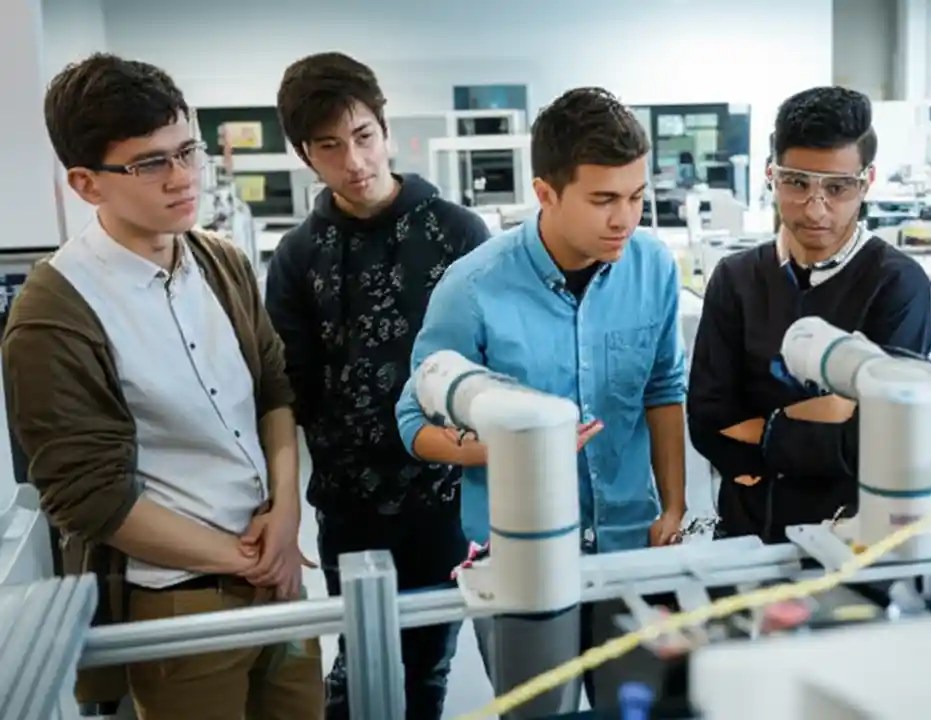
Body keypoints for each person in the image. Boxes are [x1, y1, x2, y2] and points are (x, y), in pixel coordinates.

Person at [2, 54, 321, 718]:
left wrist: (287, 521)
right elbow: (87, 497)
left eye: (187, 152)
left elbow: (273, 391)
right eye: (150, 164)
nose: (182, 180)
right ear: (87, 185)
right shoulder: (55, 310)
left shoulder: (221, 261)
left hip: (279, 567)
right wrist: (246, 558)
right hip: (179, 594)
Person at [395, 86, 687, 709]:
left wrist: (675, 505)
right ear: (546, 192)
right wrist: (516, 447)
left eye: (636, 197)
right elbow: (413, 422)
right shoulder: (472, 287)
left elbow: (664, 387)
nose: (625, 219)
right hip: (516, 556)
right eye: (604, 200)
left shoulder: (653, 268)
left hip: (630, 545)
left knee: (636, 706)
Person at [266, 52, 489, 719]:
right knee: (356, 665)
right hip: (348, 501)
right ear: (307, 154)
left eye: (363, 137)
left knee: (428, 667)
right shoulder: (298, 254)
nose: (354, 160)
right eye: (330, 146)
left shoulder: (457, 232)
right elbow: (292, 385)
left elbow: (489, 359)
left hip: (444, 495)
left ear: (385, 131)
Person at [687, 87, 931, 543]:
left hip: (853, 533)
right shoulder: (735, 278)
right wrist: (827, 418)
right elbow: (707, 417)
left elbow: (879, 434)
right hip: (747, 529)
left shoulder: (897, 283)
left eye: (837, 188)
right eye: (796, 183)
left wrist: (763, 435)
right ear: (770, 175)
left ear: (866, 181)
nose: (815, 208)